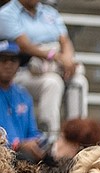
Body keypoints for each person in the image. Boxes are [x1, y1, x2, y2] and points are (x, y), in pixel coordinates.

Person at [1, 0, 84, 135]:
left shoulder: (50, 12)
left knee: (79, 81)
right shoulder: (6, 13)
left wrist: (67, 59)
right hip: (26, 69)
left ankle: (77, 133)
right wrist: (54, 56)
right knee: (52, 83)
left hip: (56, 62)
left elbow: (65, 40)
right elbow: (24, 46)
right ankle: (50, 135)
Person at [0, 44, 36, 159]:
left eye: (13, 60)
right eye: (3, 60)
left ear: (18, 64)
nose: (8, 64)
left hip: (22, 157)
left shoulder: (24, 96)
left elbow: (32, 132)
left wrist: (39, 142)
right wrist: (18, 145)